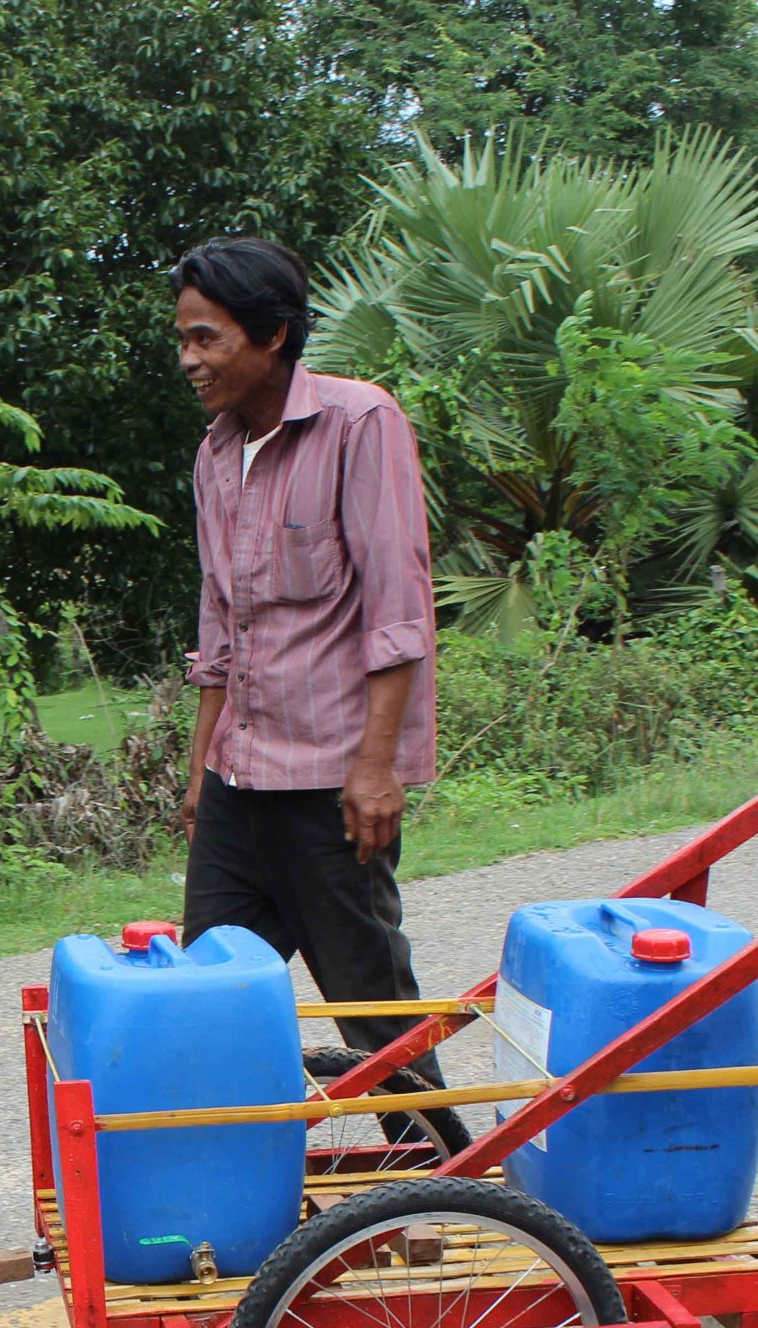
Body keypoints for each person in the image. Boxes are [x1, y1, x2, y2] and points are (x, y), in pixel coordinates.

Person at [171, 236, 443, 1081]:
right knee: (207, 1001)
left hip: (332, 787)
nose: (189, 359)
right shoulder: (216, 454)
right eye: (182, 339)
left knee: (372, 1011)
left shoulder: (359, 424)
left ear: (273, 334)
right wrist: (200, 768)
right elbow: (222, 626)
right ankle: (230, 1158)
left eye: (207, 338)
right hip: (237, 783)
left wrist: (376, 768)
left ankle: (434, 1157)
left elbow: (398, 611)